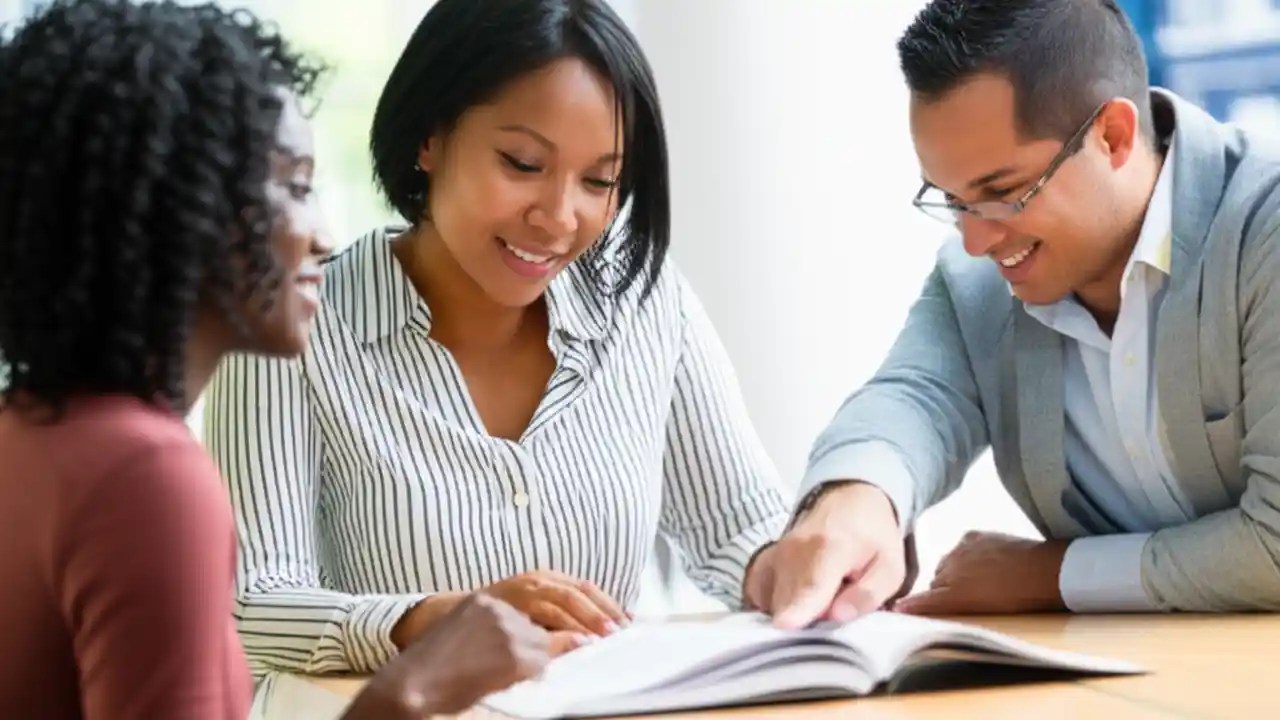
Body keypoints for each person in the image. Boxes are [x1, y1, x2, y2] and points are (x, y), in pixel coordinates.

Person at [203, 0, 790, 687]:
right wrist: (433, 621)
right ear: (430, 136)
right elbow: (255, 605)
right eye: (522, 163)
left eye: (601, 180)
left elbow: (740, 530)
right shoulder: (291, 328)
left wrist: (808, 560)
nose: (560, 217)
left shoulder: (645, 304)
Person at [0, 1, 559, 718]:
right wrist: (412, 691)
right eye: (294, 186)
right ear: (188, 204)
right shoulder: (145, 477)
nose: (323, 236)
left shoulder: (29, 435)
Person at [746, 0, 1280, 625]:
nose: (974, 241)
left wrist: (1049, 574)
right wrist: (855, 498)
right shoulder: (979, 281)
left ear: (1113, 135)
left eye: (1002, 193)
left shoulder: (1264, 233)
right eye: (952, 199)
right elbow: (910, 398)